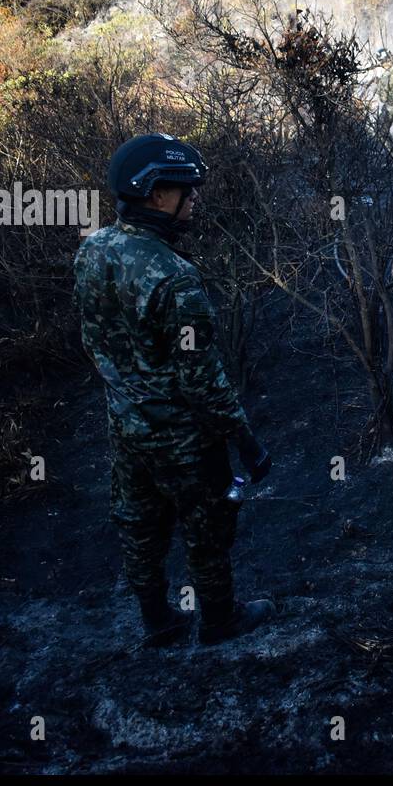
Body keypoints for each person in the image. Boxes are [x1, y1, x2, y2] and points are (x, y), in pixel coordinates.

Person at [73, 133, 275, 647]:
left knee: (139, 524)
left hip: (126, 426)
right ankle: (219, 620)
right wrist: (244, 438)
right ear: (157, 194)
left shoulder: (92, 250)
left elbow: (96, 340)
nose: (195, 198)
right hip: (182, 437)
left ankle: (158, 621)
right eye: (188, 189)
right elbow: (201, 380)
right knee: (207, 530)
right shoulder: (174, 278)